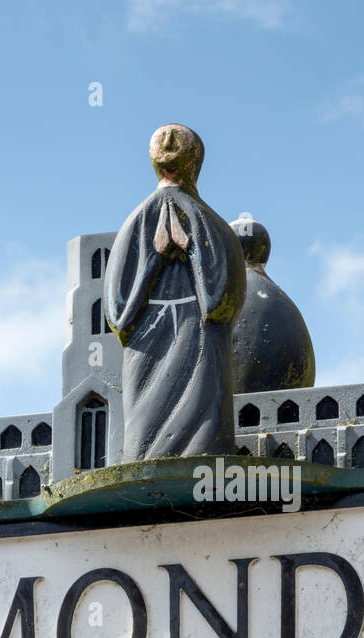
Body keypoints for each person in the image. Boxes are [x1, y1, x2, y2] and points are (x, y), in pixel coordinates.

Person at [105, 124, 245, 461]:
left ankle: (203, 450)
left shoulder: (208, 224)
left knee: (202, 420)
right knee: (146, 426)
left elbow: (220, 305)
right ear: (195, 163)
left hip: (198, 340)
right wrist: (155, 258)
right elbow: (118, 312)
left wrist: (190, 250)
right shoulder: (145, 222)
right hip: (148, 345)